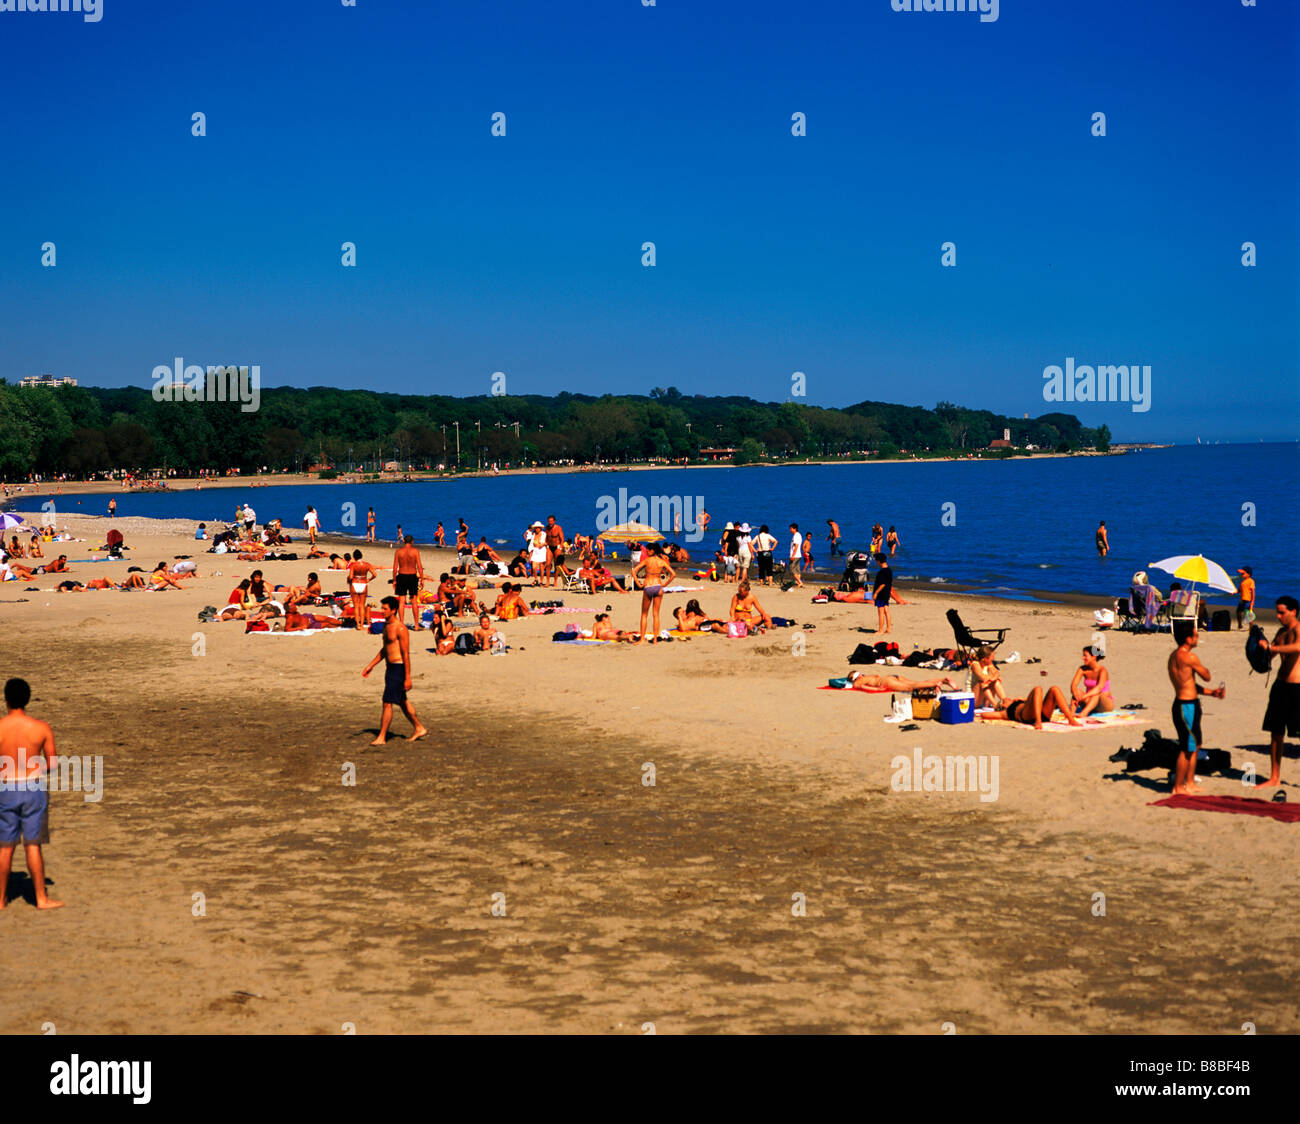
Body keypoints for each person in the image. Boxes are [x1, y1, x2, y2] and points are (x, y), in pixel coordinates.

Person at [0, 678, 64, 909]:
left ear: (6, 700)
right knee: (33, 845)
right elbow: (52, 763)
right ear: (27, 699)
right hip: (32, 788)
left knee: (5, 846)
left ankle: (0, 899)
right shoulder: (41, 728)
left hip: (6, 788)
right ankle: (41, 898)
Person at [1166, 622, 1224, 794]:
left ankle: (1189, 782)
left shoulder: (1173, 656)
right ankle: (1178, 786)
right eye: (1195, 634)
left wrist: (1211, 693)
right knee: (1187, 748)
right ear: (1188, 639)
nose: (1198, 637)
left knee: (1196, 745)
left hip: (1187, 704)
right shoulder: (1189, 657)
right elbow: (1206, 676)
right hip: (1186, 708)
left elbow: (1189, 684)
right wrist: (1203, 669)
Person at [361, 597, 427, 745]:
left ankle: (382, 736)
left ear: (393, 610)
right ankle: (419, 727)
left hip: (399, 668)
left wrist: (408, 677)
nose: (382, 611)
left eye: (385, 609)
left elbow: (405, 654)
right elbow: (385, 649)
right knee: (402, 701)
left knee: (387, 702)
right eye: (382, 608)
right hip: (390, 668)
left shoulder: (400, 628)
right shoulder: (386, 626)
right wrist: (371, 665)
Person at [1257, 595, 1300, 790]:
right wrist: (1260, 645)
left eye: (1282, 612)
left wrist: (1273, 646)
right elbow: (1271, 654)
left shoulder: (1299, 630)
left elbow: (1297, 647)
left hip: (1296, 688)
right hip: (1280, 686)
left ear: (1293, 611)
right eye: (1277, 612)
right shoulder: (1282, 632)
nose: (1278, 615)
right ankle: (1275, 777)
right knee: (1276, 733)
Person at [631, 543, 675, 644]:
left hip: (648, 586)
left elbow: (634, 571)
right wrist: (665, 584)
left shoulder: (647, 561)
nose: (646, 551)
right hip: (658, 586)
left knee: (644, 614)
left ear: (652, 551)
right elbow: (673, 574)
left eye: (648, 550)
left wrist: (639, 584)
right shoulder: (662, 561)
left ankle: (642, 639)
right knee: (656, 614)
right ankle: (655, 639)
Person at [988, 686, 1083, 730]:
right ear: (1003, 706)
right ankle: (1038, 722)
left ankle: (1070, 719)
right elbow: (986, 714)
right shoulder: (1005, 712)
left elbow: (1037, 701)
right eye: (1003, 700)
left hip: (1041, 713)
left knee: (1054, 689)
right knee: (1038, 689)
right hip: (1028, 717)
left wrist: (1024, 699)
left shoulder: (1017, 701)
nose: (1006, 698)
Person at [1070, 645, 1116, 717]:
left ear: (1094, 657)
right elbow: (1074, 684)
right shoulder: (1082, 669)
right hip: (1089, 702)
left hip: (1104, 705)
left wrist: (1084, 696)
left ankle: (1083, 714)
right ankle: (1071, 714)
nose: (1083, 658)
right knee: (1077, 691)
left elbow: (1099, 688)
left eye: (1085, 656)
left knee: (1097, 693)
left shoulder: (1102, 670)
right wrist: (1076, 693)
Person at [392, 535, 425, 630]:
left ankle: (401, 624)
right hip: (412, 576)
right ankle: (416, 625)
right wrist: (422, 579)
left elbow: (395, 568)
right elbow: (419, 566)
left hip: (402, 575)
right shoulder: (415, 551)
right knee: (414, 600)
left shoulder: (398, 551)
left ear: (403, 541)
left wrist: (394, 580)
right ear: (412, 542)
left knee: (402, 601)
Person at [347, 549, 377, 630]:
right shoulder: (367, 564)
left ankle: (358, 625)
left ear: (354, 557)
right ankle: (362, 625)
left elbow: (350, 576)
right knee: (362, 605)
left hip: (355, 582)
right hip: (363, 583)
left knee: (356, 606)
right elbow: (374, 574)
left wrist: (349, 580)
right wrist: (369, 579)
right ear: (361, 556)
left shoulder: (353, 565)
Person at [850, 669, 957, 693]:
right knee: (916, 682)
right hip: (892, 676)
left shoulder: (858, 681)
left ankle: (934, 684)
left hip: (886, 682)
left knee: (910, 688)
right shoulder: (867, 676)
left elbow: (862, 687)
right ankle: (944, 680)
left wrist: (877, 689)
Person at [872, 553, 893, 636]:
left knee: (880, 611)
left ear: (879, 561)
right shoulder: (889, 570)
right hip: (887, 593)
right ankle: (888, 628)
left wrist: (876, 593)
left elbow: (882, 584)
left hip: (881, 594)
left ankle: (880, 630)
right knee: (886, 610)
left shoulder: (882, 572)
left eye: (876, 560)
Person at [545, 515, 566, 588]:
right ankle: (547, 581)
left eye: (551, 521)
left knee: (557, 564)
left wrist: (560, 547)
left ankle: (555, 581)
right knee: (547, 564)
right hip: (549, 547)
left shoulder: (558, 528)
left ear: (554, 521)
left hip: (557, 547)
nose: (550, 522)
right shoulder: (547, 528)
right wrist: (546, 544)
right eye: (549, 521)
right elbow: (546, 537)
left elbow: (562, 538)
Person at [787, 524, 803, 588]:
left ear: (794, 528)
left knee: (792, 570)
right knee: (797, 570)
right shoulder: (798, 535)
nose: (790, 530)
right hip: (798, 555)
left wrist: (793, 555)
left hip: (795, 555)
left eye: (791, 528)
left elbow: (796, 546)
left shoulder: (796, 535)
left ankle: (800, 582)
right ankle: (798, 582)